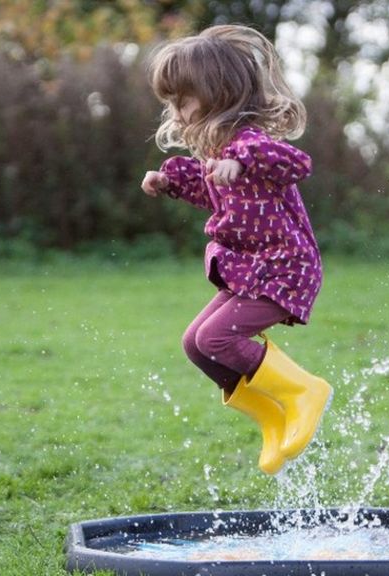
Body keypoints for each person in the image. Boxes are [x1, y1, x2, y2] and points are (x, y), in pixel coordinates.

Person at [142, 24, 332, 476]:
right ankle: (270, 415)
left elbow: (296, 162)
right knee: (194, 344)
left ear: (216, 93)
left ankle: (303, 391)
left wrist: (242, 161)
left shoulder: (248, 143)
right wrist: (170, 182)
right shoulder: (218, 150)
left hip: (284, 268)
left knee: (215, 338)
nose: (176, 111)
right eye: (170, 101)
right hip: (250, 268)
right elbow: (217, 195)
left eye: (183, 99)